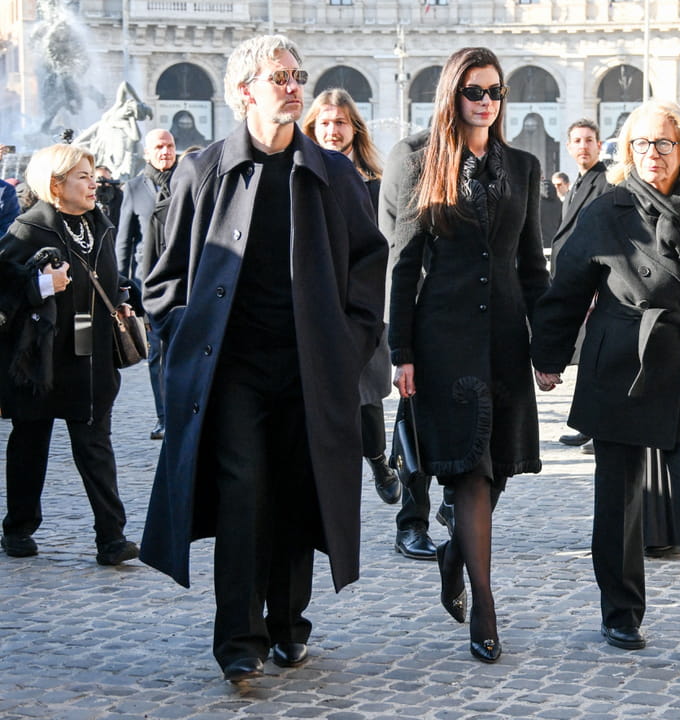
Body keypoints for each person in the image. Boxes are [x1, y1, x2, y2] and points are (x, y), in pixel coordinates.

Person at [139, 34, 388, 682]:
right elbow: (162, 280)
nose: (294, 86)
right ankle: (238, 639)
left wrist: (351, 343)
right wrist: (179, 345)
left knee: (298, 495)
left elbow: (369, 262)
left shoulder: (333, 173)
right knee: (244, 493)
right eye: (280, 77)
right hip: (234, 372)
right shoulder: (204, 170)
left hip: (311, 367)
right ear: (244, 89)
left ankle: (288, 625)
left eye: (297, 75)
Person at [531, 100, 680, 659]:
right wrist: (549, 357)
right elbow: (567, 290)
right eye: (641, 144)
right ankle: (621, 613)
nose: (652, 154)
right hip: (620, 367)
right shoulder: (606, 210)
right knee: (619, 502)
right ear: (626, 150)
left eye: (664, 143)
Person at [388, 47, 549, 663]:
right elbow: (404, 263)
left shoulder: (525, 166)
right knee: (468, 471)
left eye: (496, 92)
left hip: (506, 337)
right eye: (475, 91)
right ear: (452, 96)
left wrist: (549, 346)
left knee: (497, 469)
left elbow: (532, 265)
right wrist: (400, 349)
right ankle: (485, 602)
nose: (487, 102)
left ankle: (457, 553)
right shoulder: (419, 160)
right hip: (444, 338)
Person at [0, 143, 140, 566]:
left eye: (93, 172)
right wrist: (43, 287)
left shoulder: (100, 223)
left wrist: (121, 297)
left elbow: (106, 275)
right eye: (83, 175)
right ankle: (18, 528)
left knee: (95, 443)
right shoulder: (28, 229)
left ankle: (111, 538)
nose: (93, 181)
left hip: (90, 352)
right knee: (30, 441)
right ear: (56, 184)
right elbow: (4, 290)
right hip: (39, 356)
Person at [301, 87, 400, 507]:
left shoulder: (374, 181)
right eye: (324, 122)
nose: (332, 130)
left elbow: (385, 242)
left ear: (353, 128)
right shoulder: (300, 172)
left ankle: (377, 458)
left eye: (340, 122)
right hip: (316, 296)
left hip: (362, 296)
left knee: (365, 389)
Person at [380, 126, 455, 560]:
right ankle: (411, 521)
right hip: (424, 309)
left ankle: (455, 503)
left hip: (471, 315)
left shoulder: (497, 156)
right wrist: (401, 335)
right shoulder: (411, 154)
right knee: (417, 423)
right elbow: (397, 242)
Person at [550, 118, 611, 450]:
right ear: (569, 147)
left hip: (596, 285)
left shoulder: (606, 182)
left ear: (599, 146)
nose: (584, 145)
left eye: (589, 140)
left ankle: (600, 429)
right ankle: (589, 425)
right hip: (578, 284)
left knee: (598, 360)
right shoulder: (578, 182)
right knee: (590, 360)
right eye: (578, 140)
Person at [114, 128, 176, 440]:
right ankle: (164, 417)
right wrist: (119, 287)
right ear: (147, 153)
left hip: (187, 280)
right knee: (158, 354)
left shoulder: (186, 180)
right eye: (159, 147)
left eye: (169, 146)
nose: (165, 152)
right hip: (150, 284)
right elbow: (124, 241)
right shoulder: (135, 188)